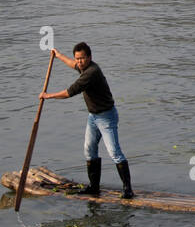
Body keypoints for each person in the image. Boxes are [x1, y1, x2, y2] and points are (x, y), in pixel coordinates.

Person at [39, 42, 134, 199]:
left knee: (114, 152)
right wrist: (59, 55)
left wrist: (47, 96)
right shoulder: (82, 67)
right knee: (89, 150)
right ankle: (94, 188)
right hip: (93, 116)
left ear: (89, 57)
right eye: (77, 58)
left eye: (82, 58)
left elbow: (70, 92)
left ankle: (128, 190)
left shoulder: (92, 73)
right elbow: (73, 65)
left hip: (106, 117)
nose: (79, 62)